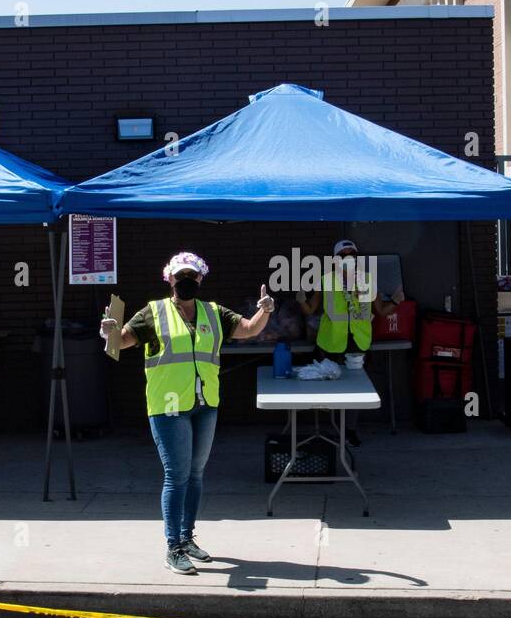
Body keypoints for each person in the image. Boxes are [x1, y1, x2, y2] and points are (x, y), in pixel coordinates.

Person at [100, 252, 274, 576]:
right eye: (180, 276)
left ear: (200, 279)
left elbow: (249, 329)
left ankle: (186, 536)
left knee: (195, 474)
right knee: (176, 475)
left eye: (192, 276)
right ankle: (173, 548)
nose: (186, 281)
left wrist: (263, 312)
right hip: (168, 407)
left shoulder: (213, 312)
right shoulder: (153, 312)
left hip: (204, 403)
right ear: (169, 279)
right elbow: (121, 340)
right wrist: (108, 330)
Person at [296, 239, 403, 446]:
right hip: (331, 343)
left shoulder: (367, 281)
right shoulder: (326, 281)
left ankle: (349, 431)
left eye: (352, 254)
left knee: (356, 390)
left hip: (357, 344)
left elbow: (380, 311)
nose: (348, 258)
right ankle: (329, 431)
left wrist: (397, 301)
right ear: (335, 260)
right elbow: (310, 310)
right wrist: (301, 301)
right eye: (343, 255)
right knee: (328, 389)